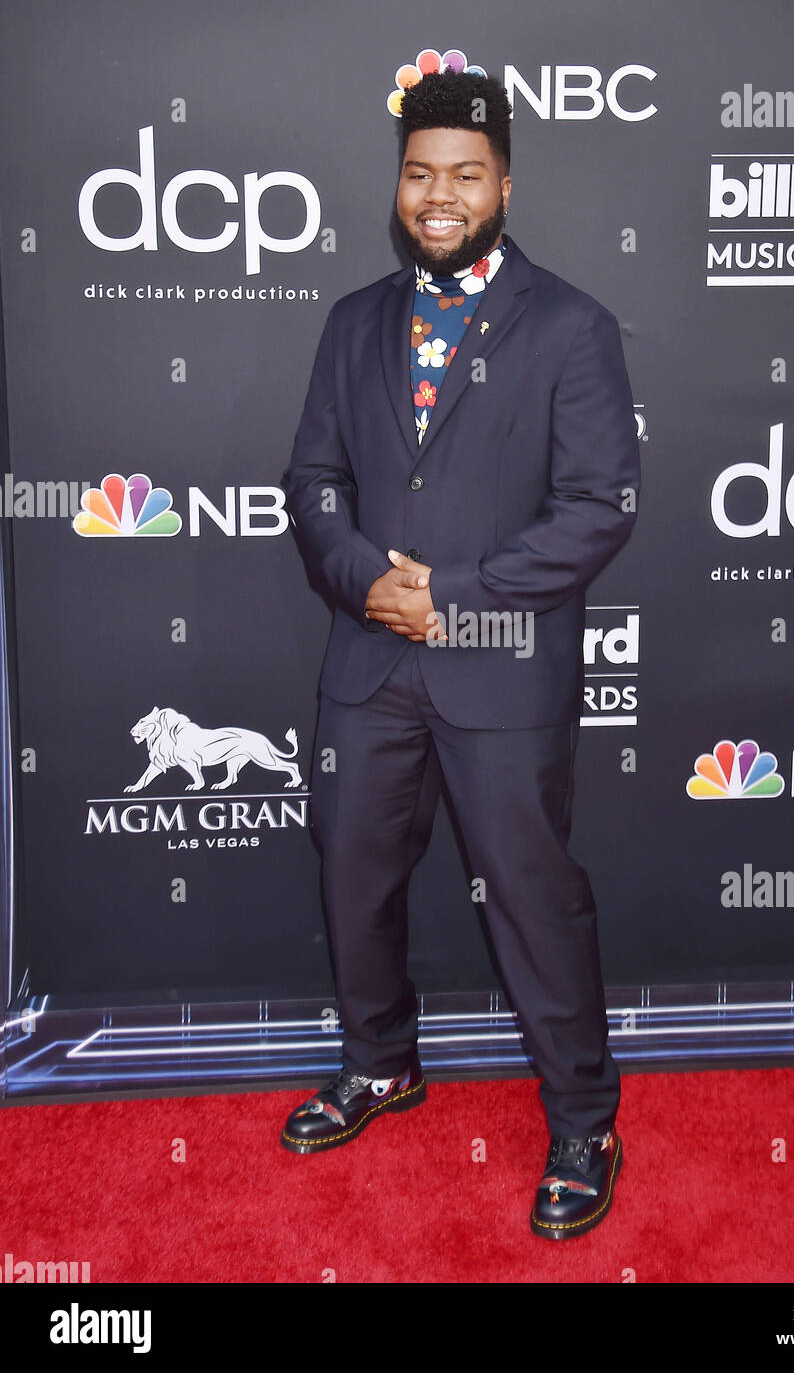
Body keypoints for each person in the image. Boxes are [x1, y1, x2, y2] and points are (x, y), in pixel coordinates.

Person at [279, 68, 639, 1240]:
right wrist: (359, 578)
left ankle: (583, 1119)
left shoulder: (573, 325)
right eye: (420, 174)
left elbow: (599, 506)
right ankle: (380, 1064)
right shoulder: (352, 321)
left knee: (534, 902)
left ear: (504, 183)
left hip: (500, 668)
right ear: (399, 183)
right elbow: (313, 482)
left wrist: (461, 596)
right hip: (367, 665)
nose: (439, 197)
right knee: (353, 881)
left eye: (464, 176)